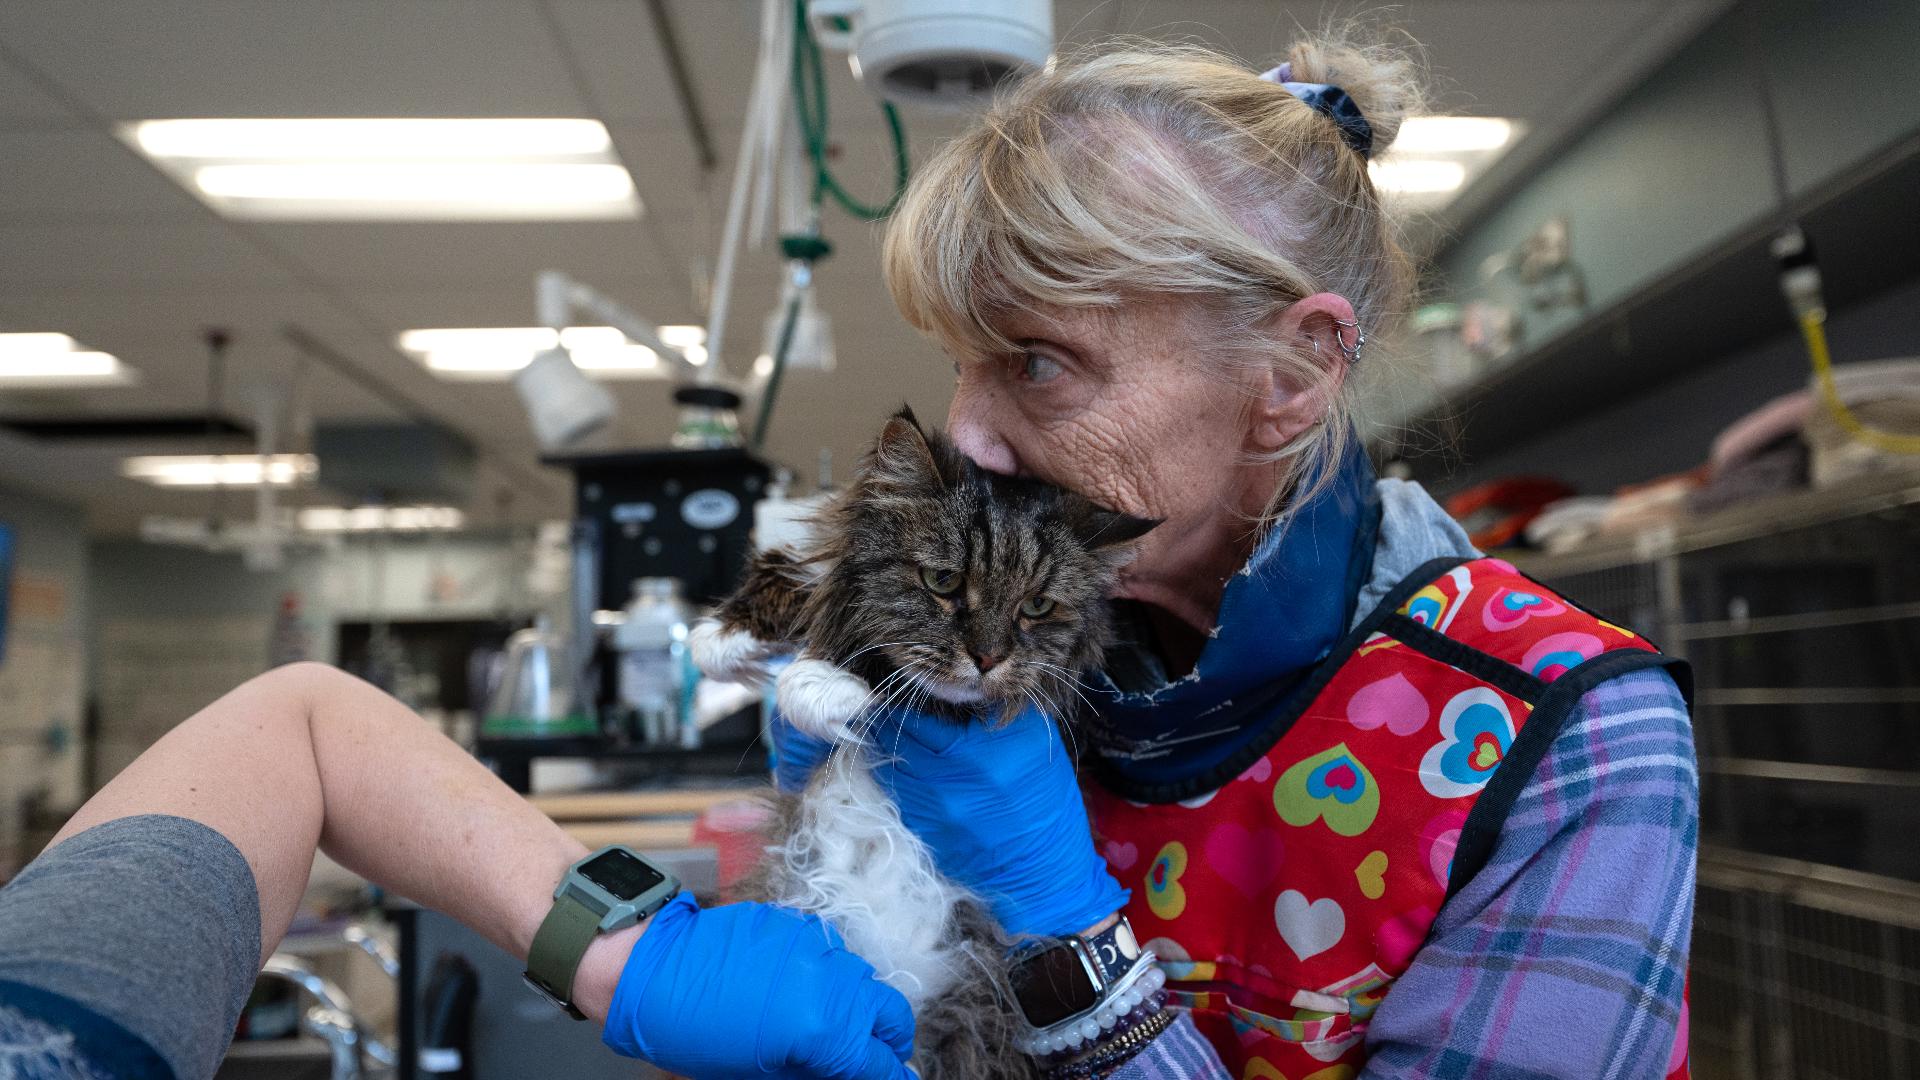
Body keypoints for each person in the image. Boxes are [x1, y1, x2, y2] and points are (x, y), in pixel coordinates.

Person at [0, 30, 1695, 1080]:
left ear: (1294, 374)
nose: (963, 431)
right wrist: (695, 912)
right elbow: (317, 731)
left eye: (1039, 361)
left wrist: (1071, 943)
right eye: (962, 359)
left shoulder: (1568, 735)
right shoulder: (1008, 566)